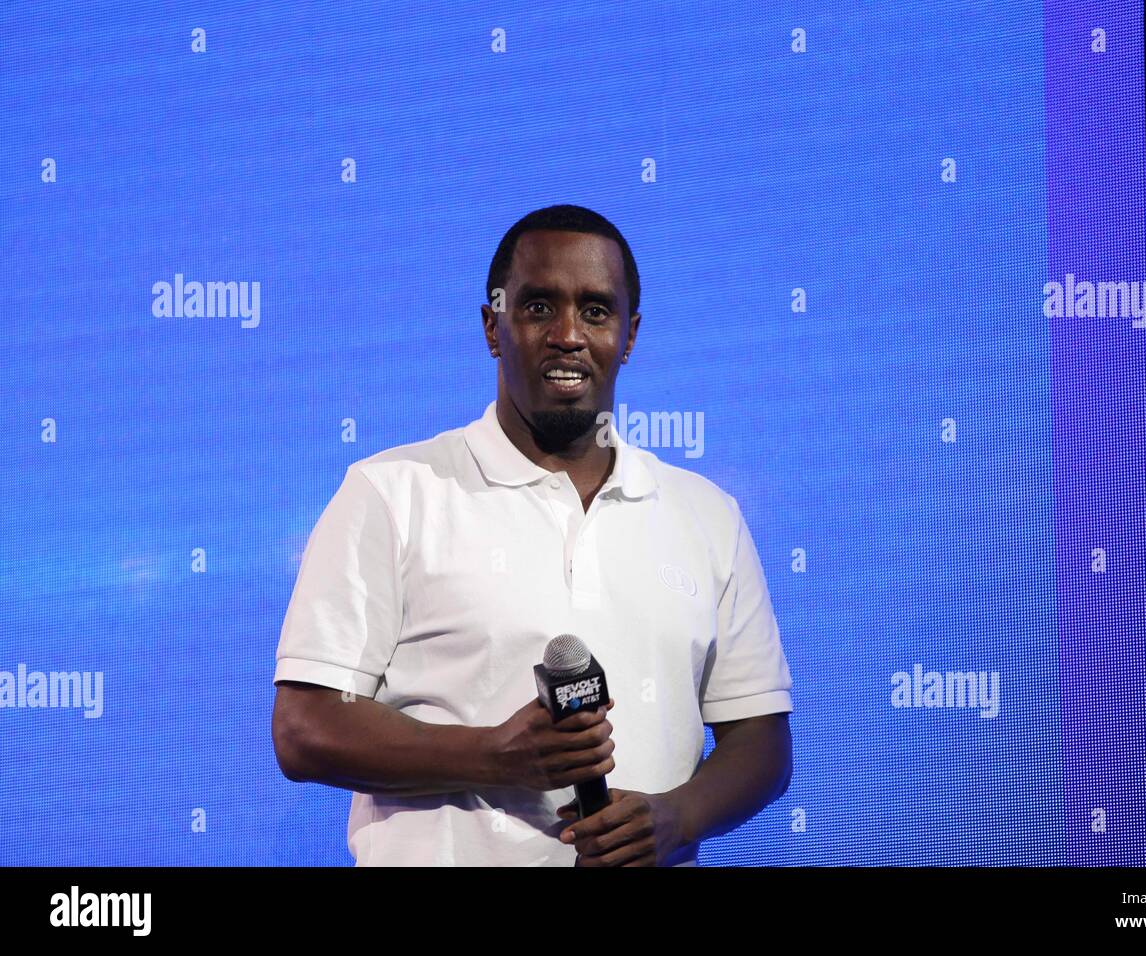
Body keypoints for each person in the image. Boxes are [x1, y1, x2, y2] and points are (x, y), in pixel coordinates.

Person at [271, 204, 794, 866]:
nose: (569, 334)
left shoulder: (706, 515)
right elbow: (305, 728)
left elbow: (762, 743)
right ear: (494, 326)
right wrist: (493, 756)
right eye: (539, 307)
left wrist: (677, 817)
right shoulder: (392, 493)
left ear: (629, 336)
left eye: (597, 311)